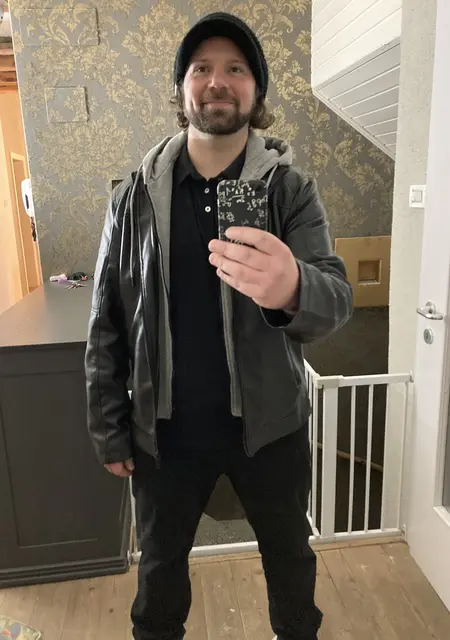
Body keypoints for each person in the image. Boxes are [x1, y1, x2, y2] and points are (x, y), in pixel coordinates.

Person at [85, 11, 353, 640]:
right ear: (182, 89)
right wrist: (109, 427)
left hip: (270, 426)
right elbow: (108, 320)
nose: (217, 81)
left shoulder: (289, 191)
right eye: (201, 68)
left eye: (235, 68)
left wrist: (293, 288)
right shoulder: (132, 199)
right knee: (158, 580)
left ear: (256, 90)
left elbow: (336, 299)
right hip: (163, 432)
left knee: (291, 563)